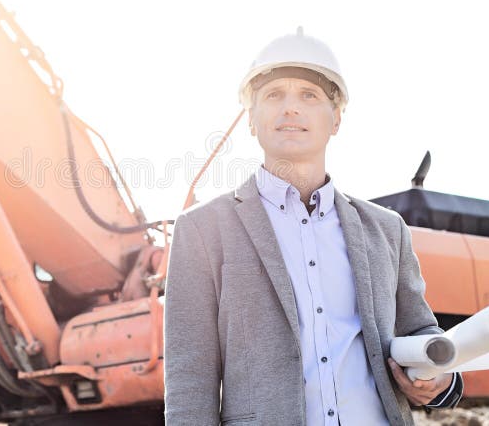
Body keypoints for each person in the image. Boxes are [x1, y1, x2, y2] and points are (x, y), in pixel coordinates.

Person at [163, 28, 463, 425]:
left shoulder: (387, 231)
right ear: (251, 119)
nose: (290, 108)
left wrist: (439, 379)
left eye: (309, 95)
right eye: (273, 95)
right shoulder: (201, 231)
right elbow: (189, 378)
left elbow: (421, 331)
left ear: (336, 118)